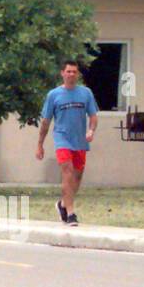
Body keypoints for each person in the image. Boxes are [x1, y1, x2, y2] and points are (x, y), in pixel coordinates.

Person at [35, 60, 99, 225]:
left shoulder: (86, 93)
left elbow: (93, 116)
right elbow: (46, 122)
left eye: (74, 72)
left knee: (76, 178)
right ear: (62, 73)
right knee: (67, 171)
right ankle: (71, 214)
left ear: (77, 75)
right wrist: (40, 144)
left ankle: (63, 204)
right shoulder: (54, 95)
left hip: (80, 141)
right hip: (62, 139)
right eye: (68, 71)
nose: (71, 74)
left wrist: (91, 130)